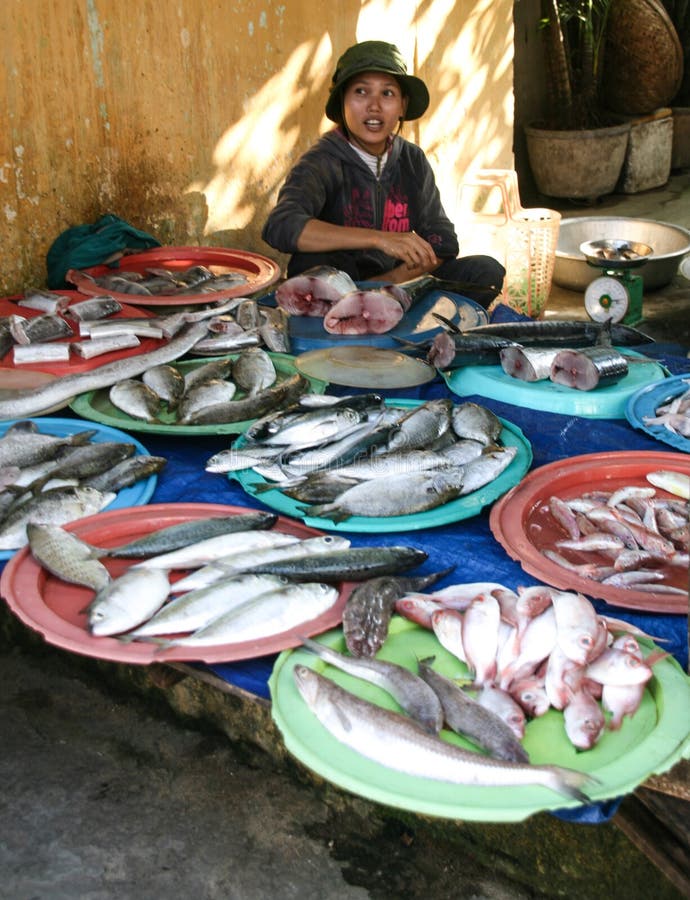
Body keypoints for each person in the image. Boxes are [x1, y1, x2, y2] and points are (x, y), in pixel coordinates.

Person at [261, 40, 505, 307]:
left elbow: (442, 240)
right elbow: (281, 226)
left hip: (400, 284)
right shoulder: (322, 161)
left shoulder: (412, 160)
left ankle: (400, 322)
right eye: (361, 92)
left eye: (387, 93)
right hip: (341, 291)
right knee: (311, 266)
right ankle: (354, 322)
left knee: (485, 272)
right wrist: (379, 239)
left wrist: (391, 281)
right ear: (342, 102)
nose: (374, 106)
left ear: (402, 105)